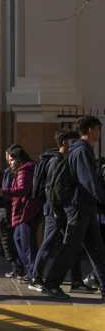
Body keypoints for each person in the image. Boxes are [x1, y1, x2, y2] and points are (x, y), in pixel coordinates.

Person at [42, 116, 105, 301]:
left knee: (96, 249)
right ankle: (51, 284)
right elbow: (88, 181)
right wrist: (102, 199)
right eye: (99, 129)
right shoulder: (82, 151)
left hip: (85, 207)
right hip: (79, 207)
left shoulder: (79, 149)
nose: (100, 133)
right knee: (70, 247)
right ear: (91, 129)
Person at [29, 130, 89, 292]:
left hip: (62, 209)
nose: (75, 145)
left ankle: (76, 281)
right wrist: (56, 210)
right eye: (73, 141)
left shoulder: (65, 159)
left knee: (71, 244)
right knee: (49, 243)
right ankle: (35, 276)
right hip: (54, 209)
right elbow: (52, 189)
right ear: (64, 142)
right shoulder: (56, 161)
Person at [0, 144, 41, 280]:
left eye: (12, 159)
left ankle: (34, 273)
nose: (10, 162)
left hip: (26, 211)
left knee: (26, 243)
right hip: (22, 211)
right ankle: (30, 271)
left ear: (18, 159)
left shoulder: (24, 170)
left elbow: (22, 189)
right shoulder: (21, 170)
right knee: (18, 240)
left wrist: (3, 192)